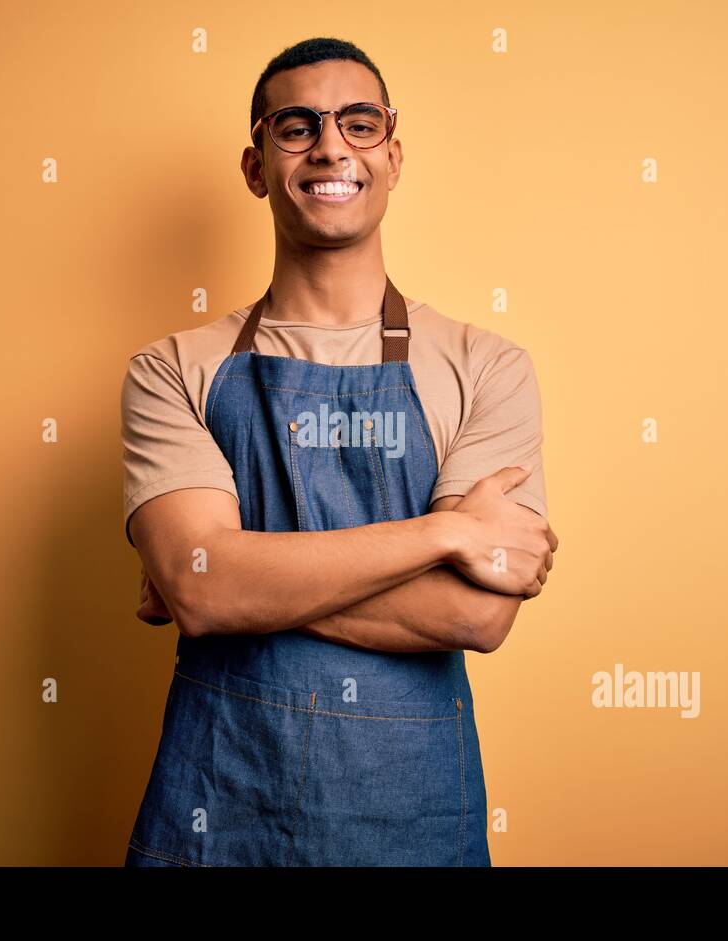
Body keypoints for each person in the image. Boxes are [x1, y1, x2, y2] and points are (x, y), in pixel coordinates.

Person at [120, 36, 556, 867]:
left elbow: (476, 615)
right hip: (221, 803)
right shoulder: (172, 369)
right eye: (297, 127)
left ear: (392, 155)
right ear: (255, 166)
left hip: (412, 814)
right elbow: (204, 593)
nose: (331, 147)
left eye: (359, 124)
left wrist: (222, 578)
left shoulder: (485, 366)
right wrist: (445, 536)